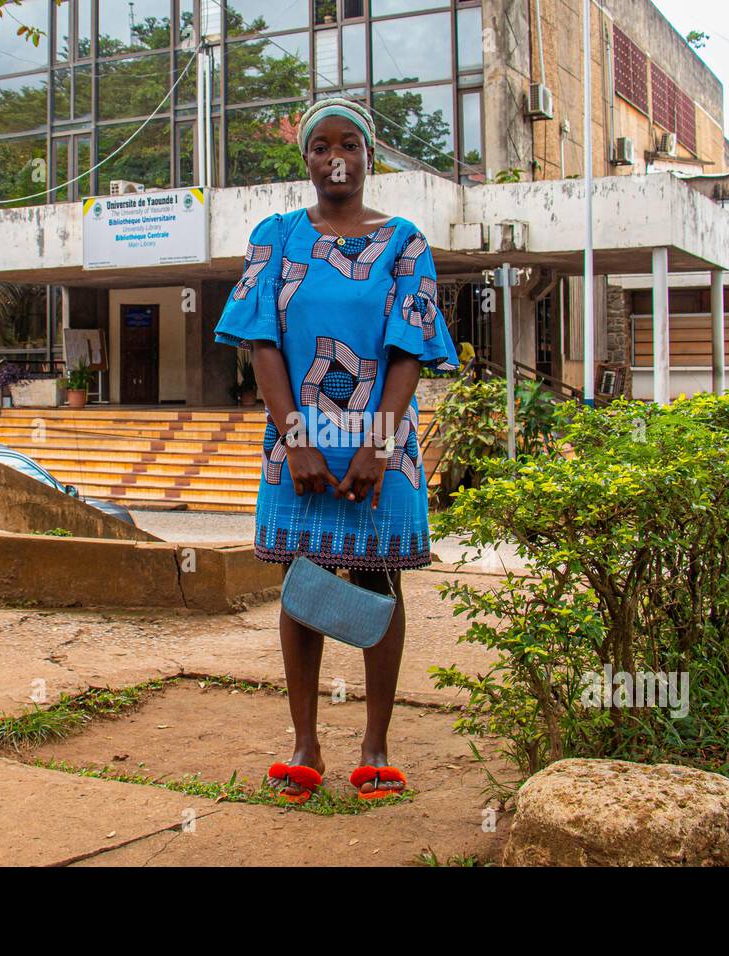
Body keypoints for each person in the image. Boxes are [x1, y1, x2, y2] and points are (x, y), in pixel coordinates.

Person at [213, 96, 459, 804]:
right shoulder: (278, 236)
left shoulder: (406, 243)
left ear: (369, 155)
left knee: (381, 581)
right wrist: (296, 442)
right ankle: (305, 744)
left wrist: (378, 446)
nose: (334, 157)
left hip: (384, 451)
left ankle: (376, 746)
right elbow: (260, 342)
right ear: (308, 160)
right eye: (320, 146)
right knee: (304, 585)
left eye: (348, 143)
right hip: (299, 449)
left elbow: (409, 347)